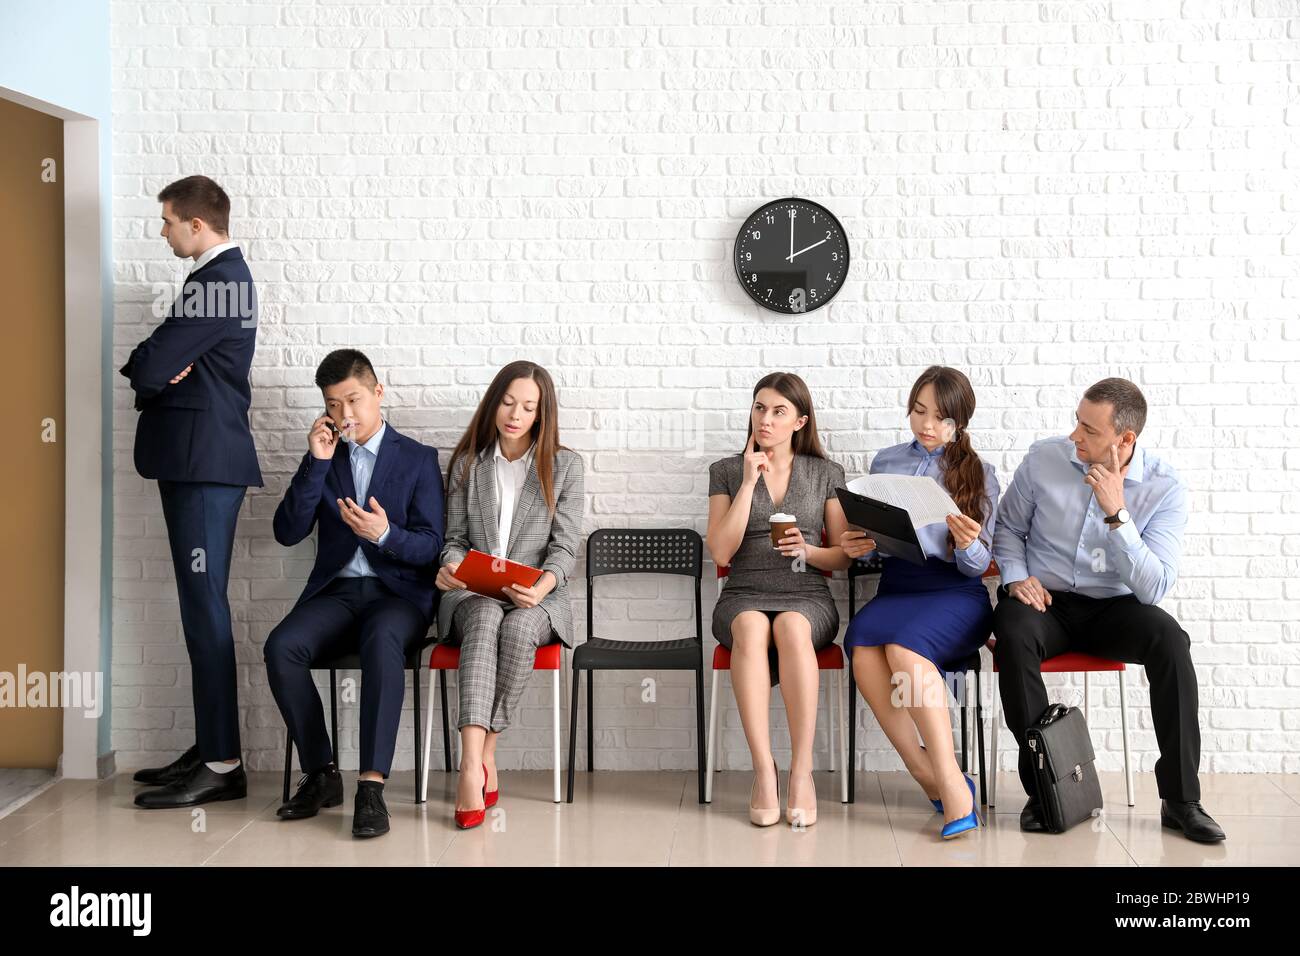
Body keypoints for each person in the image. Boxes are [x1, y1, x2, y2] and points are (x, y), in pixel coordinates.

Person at [992, 377, 1225, 843]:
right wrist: (1017, 578)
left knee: (1170, 640)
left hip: (1115, 608)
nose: (1075, 436)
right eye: (1077, 421)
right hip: (1045, 603)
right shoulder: (1043, 459)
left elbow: (1152, 587)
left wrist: (1117, 515)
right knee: (1014, 637)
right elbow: (1008, 530)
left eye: (1089, 429)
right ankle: (1045, 791)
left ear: (1125, 440)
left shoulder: (1165, 488)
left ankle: (1181, 800)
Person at [124, 175, 262, 809]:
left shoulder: (219, 282)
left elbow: (153, 366)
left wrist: (153, 371)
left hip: (205, 467)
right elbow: (156, 360)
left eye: (168, 221)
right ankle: (210, 745)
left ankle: (223, 762)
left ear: (197, 225)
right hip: (194, 463)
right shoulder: (212, 280)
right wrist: (155, 363)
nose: (163, 231)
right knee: (196, 606)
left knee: (204, 607)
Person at [265, 349, 444, 838]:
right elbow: (286, 531)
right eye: (333, 403)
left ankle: (371, 786)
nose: (346, 415)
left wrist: (386, 534)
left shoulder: (418, 459)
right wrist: (316, 464)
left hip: (399, 595)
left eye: (354, 399)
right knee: (282, 647)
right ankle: (322, 773)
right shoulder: (324, 458)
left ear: (377, 392)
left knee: (382, 640)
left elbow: (432, 546)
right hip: (338, 592)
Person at [840, 366, 999, 839]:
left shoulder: (980, 473)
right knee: (862, 643)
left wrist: (968, 543)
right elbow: (878, 532)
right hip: (900, 584)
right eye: (919, 411)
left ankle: (950, 783)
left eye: (942, 418)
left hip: (955, 593)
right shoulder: (886, 460)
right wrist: (862, 542)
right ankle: (923, 771)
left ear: (960, 422)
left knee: (905, 651)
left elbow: (979, 565)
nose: (928, 425)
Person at [435, 361, 584, 829]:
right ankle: (469, 768)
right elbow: (454, 538)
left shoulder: (565, 466)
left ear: (542, 413)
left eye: (528, 406)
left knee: (517, 627)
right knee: (483, 618)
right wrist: (450, 566)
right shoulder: (466, 464)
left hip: (536, 597)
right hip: (475, 594)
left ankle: (485, 754)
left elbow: (565, 545)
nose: (515, 414)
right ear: (493, 401)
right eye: (507, 402)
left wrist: (541, 585)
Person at [705, 372, 850, 828]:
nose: (765, 419)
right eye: (759, 407)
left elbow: (843, 556)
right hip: (744, 590)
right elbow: (722, 552)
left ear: (800, 422)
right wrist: (749, 484)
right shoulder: (727, 471)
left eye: (778, 411)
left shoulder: (826, 473)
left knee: (790, 625)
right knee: (750, 626)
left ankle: (801, 774)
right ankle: (765, 772)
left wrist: (808, 551)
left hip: (806, 591)